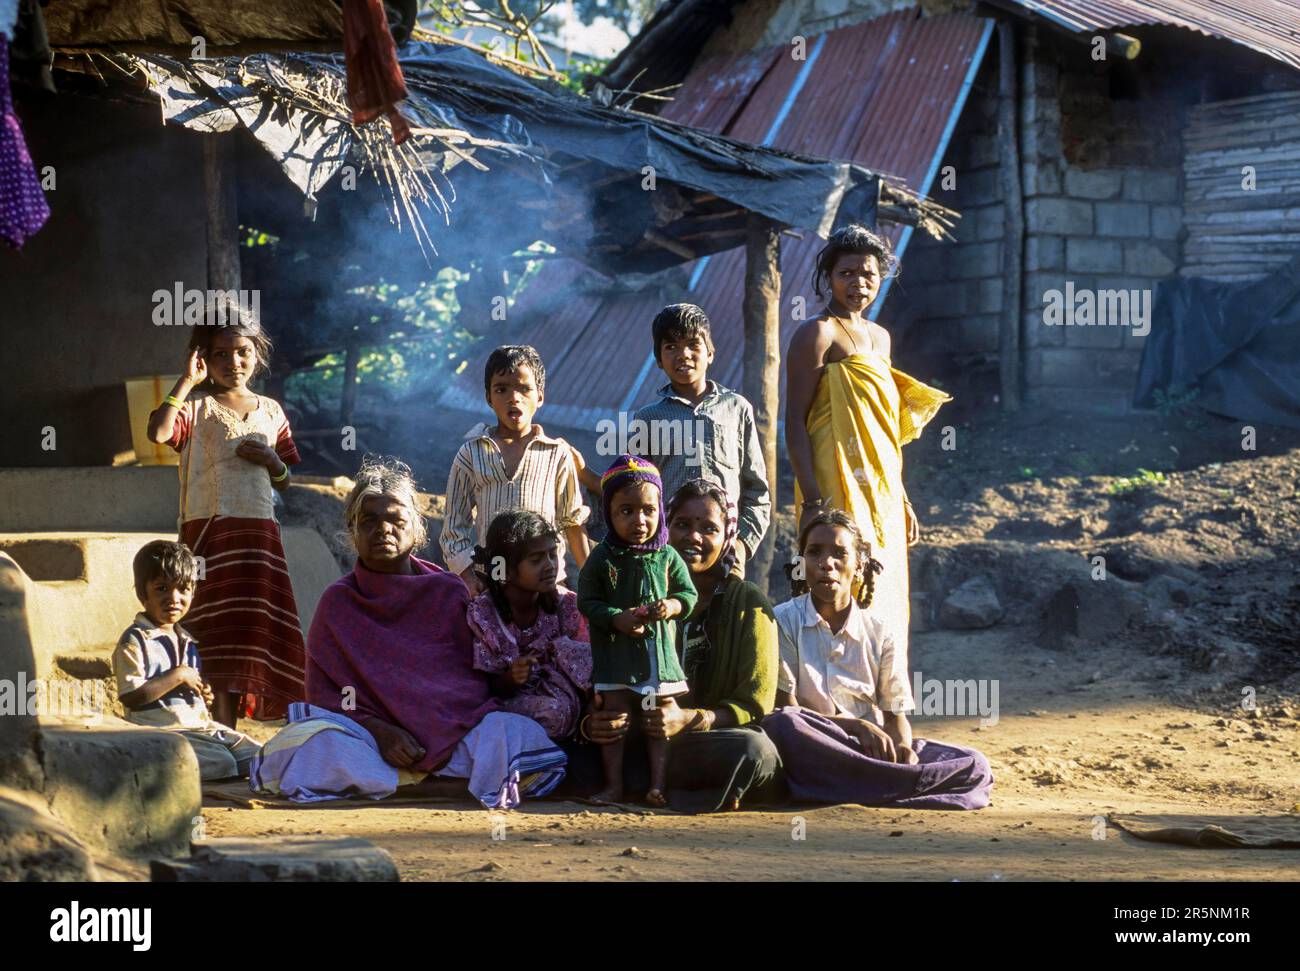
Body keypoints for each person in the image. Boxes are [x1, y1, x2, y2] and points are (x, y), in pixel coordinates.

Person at [250, 457, 566, 808]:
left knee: (515, 734)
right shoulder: (338, 601)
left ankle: (406, 786)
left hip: (456, 732)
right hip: (372, 742)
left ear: (415, 528)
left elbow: (474, 678)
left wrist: (441, 721)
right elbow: (325, 695)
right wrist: (380, 730)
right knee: (307, 745)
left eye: (395, 519)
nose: (382, 530)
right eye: (369, 521)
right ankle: (444, 788)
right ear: (352, 531)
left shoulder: (448, 591)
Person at [783, 225, 950, 673]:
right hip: (832, 484)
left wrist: (902, 497)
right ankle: (826, 699)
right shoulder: (816, 335)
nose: (859, 283)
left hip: (881, 489)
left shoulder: (881, 338)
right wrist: (814, 500)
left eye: (869, 274)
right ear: (828, 277)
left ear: (883, 278)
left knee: (882, 584)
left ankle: (877, 694)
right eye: (847, 273)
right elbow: (794, 424)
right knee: (835, 581)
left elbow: (884, 431)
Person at [763, 510, 992, 810]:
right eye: (814, 552)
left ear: (859, 565)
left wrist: (903, 750)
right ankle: (889, 785)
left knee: (975, 764)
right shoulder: (781, 621)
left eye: (840, 554)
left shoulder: (881, 632)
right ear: (802, 564)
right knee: (784, 724)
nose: (826, 564)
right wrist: (856, 726)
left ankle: (877, 780)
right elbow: (788, 710)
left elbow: (895, 718)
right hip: (813, 744)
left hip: (868, 751)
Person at [146, 303, 307, 726]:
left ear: (257, 353)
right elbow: (159, 433)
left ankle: (229, 732)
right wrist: (185, 382)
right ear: (203, 358)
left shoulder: (272, 411)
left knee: (247, 633)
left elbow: (286, 481)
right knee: (210, 632)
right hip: (209, 537)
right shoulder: (197, 408)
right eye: (219, 354)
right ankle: (213, 730)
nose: (233, 362)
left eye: (242, 352)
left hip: (259, 540)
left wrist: (273, 462)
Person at [576, 455, 697, 807]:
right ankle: (613, 786)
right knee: (614, 717)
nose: (639, 521)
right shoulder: (603, 557)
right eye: (626, 511)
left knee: (658, 717)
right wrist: (615, 617)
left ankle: (657, 785)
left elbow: (688, 594)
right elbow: (587, 600)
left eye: (648, 510)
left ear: (660, 510)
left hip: (658, 658)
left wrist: (672, 606)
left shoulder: (667, 556)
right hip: (616, 658)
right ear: (609, 514)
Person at [628, 304, 770, 576]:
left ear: (711, 353)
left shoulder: (736, 409)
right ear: (658, 359)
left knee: (724, 615)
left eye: (693, 344)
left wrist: (741, 545)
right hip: (666, 556)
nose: (684, 355)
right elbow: (635, 491)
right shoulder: (648, 418)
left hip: (724, 552)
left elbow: (757, 491)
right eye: (671, 347)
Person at [441, 345, 591, 594]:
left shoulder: (556, 454)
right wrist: (468, 576)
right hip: (491, 585)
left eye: (524, 389)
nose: (514, 398)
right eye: (502, 389)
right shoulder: (471, 453)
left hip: (547, 586)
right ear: (488, 397)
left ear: (540, 396)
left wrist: (591, 578)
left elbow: (572, 521)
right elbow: (454, 527)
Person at [112, 540, 261, 781]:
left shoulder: (187, 640)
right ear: (142, 594)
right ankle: (157, 769)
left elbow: (186, 689)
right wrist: (179, 675)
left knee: (260, 757)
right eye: (161, 588)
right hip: (163, 732)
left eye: (183, 589)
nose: (174, 598)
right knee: (221, 763)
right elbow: (132, 696)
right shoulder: (135, 639)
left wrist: (204, 696)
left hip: (201, 729)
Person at [467, 510, 592, 740]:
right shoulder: (485, 614)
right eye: (536, 560)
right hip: (511, 702)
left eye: (552, 555)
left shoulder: (565, 605)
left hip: (565, 696)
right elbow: (483, 686)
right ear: (505, 567)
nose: (549, 566)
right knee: (553, 713)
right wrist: (511, 678)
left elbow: (586, 662)